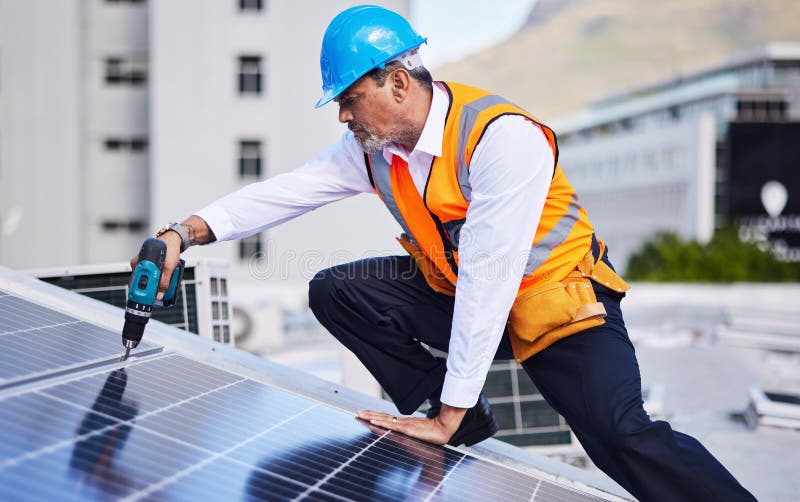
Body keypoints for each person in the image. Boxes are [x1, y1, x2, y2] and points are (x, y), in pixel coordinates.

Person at [136, 5, 755, 500]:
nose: (344, 115)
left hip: (557, 305)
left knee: (620, 436)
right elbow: (287, 194)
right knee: (335, 290)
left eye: (349, 99)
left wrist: (448, 414)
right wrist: (180, 234)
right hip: (459, 295)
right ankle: (458, 412)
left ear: (397, 82)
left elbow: (492, 275)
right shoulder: (373, 149)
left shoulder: (500, 138)